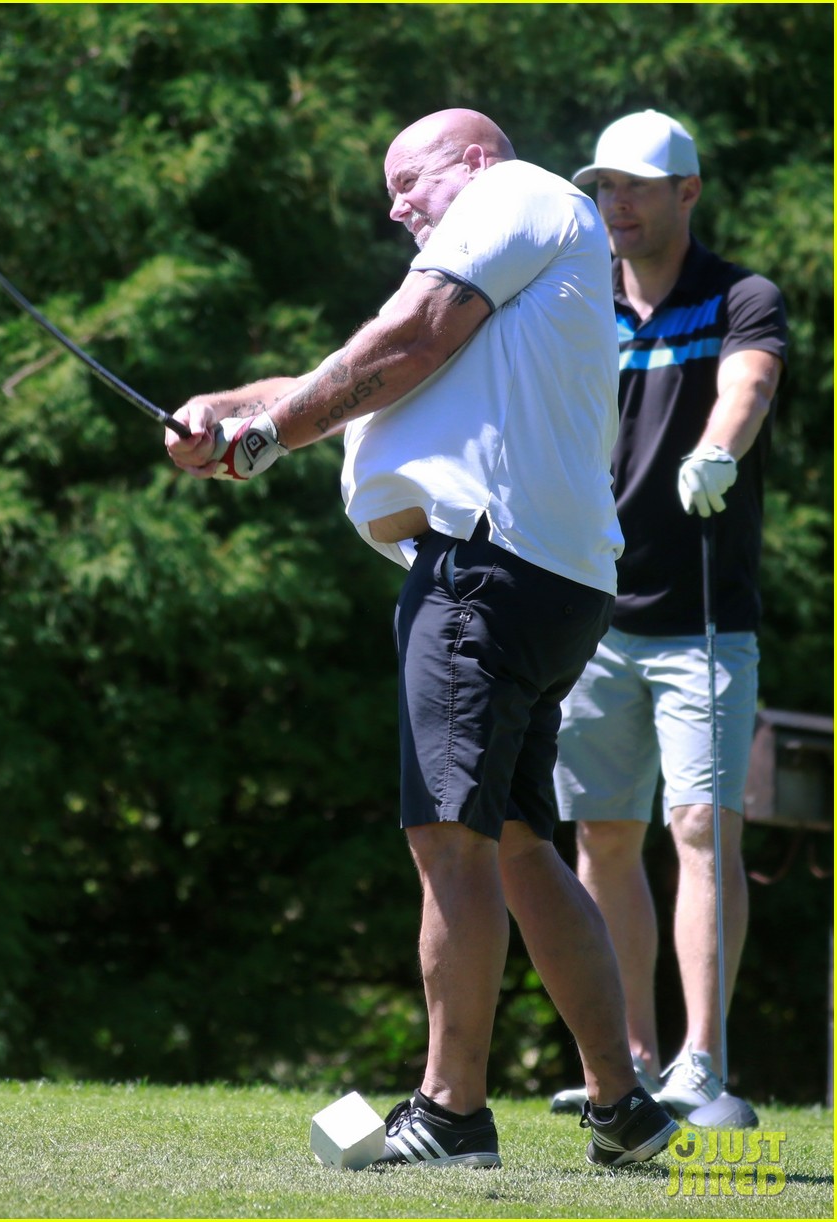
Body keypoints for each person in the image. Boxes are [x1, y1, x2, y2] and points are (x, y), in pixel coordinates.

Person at [165, 108, 678, 1169]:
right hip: (550, 577)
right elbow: (360, 373)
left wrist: (266, 439)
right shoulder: (510, 255)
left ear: (475, 160)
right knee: (527, 847)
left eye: (410, 178)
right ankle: (622, 1107)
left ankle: (450, 1114)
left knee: (448, 838)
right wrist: (231, 405)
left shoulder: (514, 196)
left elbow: (408, 339)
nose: (394, 204)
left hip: (481, 572)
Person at [549, 110, 787, 1118]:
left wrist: (718, 447)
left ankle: (702, 1062)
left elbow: (750, 379)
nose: (617, 203)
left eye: (637, 187)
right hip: (584, 612)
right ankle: (631, 1065)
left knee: (698, 825)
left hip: (700, 617)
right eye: (604, 186)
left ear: (685, 193)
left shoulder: (737, 295)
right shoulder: (574, 301)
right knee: (601, 837)